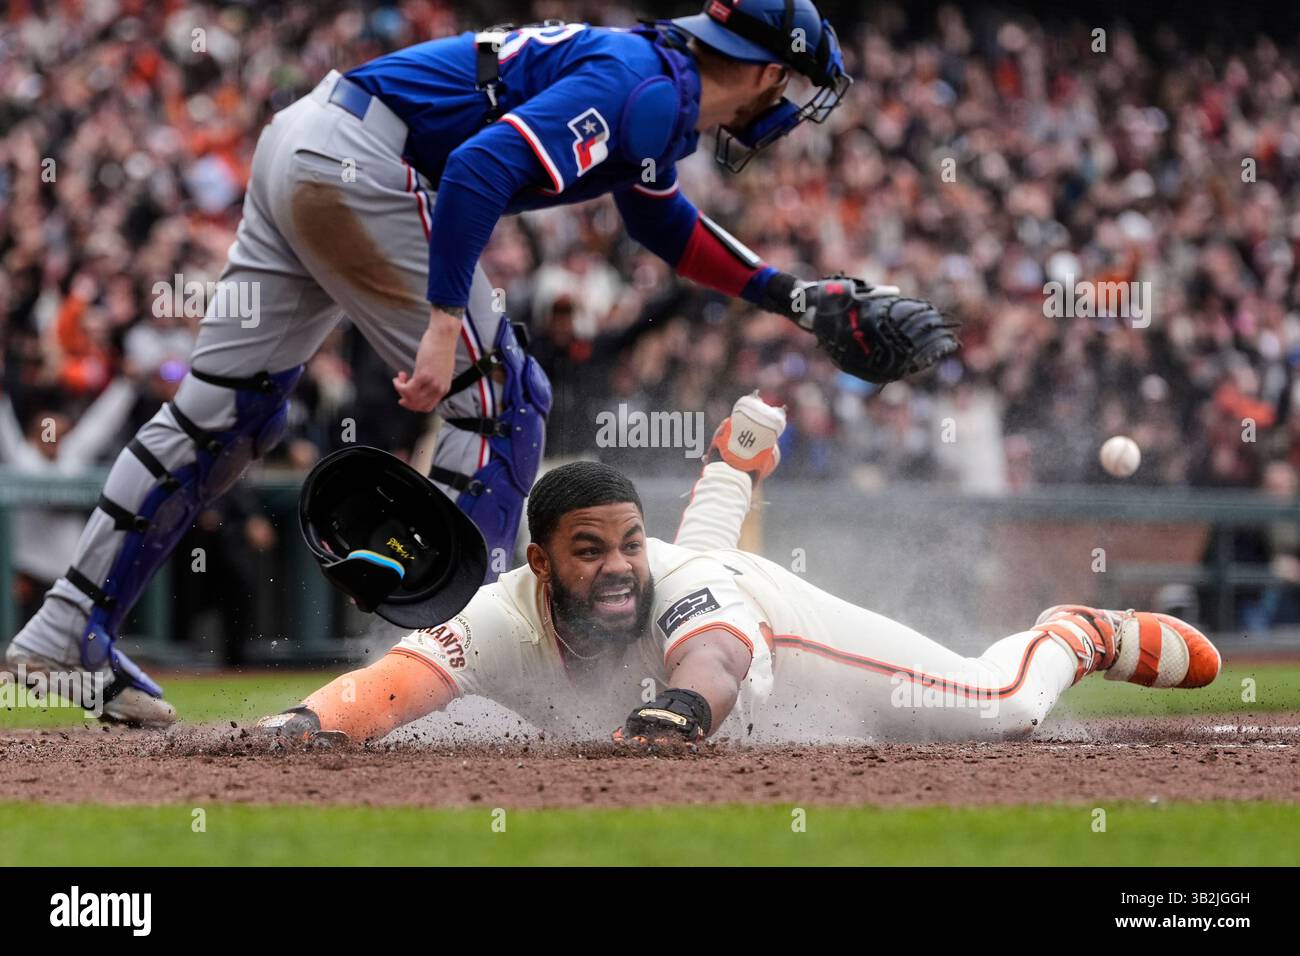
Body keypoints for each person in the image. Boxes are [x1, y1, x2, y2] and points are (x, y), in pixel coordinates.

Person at [8, 1, 931, 725]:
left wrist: (789, 294)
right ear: (772, 69)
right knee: (507, 401)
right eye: (795, 87)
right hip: (369, 163)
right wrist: (447, 320)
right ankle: (461, 662)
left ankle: (60, 639)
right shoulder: (645, 87)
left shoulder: (652, 83)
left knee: (223, 415)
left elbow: (660, 221)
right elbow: (486, 166)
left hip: (310, 139)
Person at [258, 394, 1222, 747]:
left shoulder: (674, 587)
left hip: (776, 634)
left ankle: (1074, 633)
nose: (613, 564)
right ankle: (733, 460)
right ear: (537, 561)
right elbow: (396, 682)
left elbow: (715, 655)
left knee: (997, 707)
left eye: (625, 539)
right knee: (692, 554)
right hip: (706, 577)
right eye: (587, 549)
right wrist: (305, 726)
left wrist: (679, 712)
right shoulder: (510, 615)